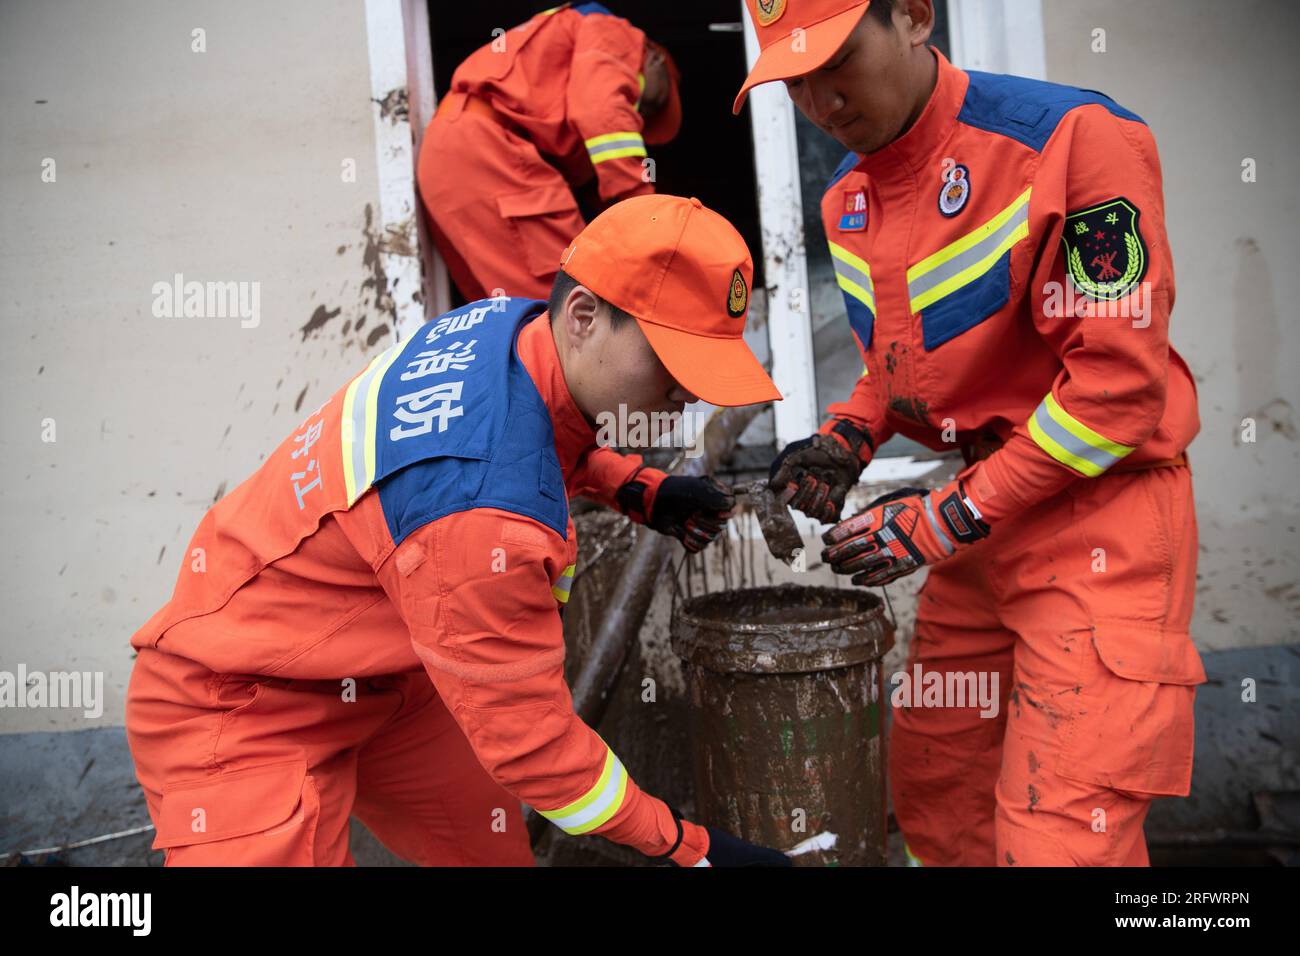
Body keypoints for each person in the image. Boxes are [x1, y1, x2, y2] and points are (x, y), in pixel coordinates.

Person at [125, 194, 787, 867]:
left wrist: (639, 488)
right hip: (240, 705)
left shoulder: (503, 326)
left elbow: (539, 427)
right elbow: (539, 752)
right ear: (585, 315)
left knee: (488, 856)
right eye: (672, 363)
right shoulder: (480, 519)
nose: (686, 393)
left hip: (383, 678)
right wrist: (689, 848)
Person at [738, 0, 1204, 866]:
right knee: (937, 794)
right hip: (981, 531)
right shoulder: (849, 201)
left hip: (1102, 518)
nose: (819, 100)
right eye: (792, 79)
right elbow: (899, 364)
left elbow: (1115, 394)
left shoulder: (1071, 141)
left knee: (1061, 837)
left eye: (835, 61)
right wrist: (845, 436)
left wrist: (943, 518)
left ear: (914, 16)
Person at [417, 2, 681, 301]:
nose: (640, 115)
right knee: (576, 308)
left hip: (450, 157)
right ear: (656, 59)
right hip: (489, 152)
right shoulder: (618, 34)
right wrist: (645, 215)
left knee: (509, 323)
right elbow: (601, 113)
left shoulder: (568, 46)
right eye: (655, 103)